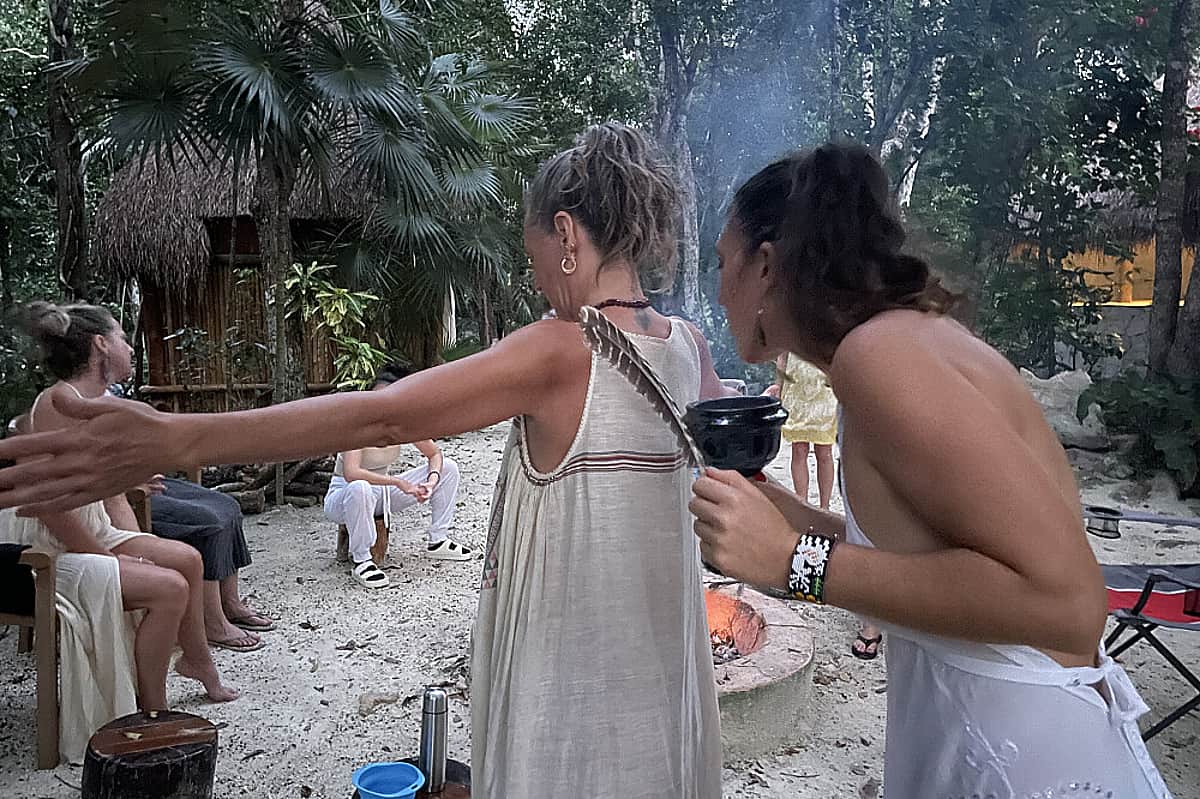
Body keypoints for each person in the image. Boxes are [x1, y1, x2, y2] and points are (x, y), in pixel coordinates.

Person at [0, 124, 725, 799]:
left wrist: (179, 437)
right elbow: (731, 477)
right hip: (663, 672)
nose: (534, 275)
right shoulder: (691, 348)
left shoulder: (561, 347)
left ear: (565, 233)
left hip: (578, 677)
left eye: (532, 250)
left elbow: (385, 412)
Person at [689, 143, 1171, 797]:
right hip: (1008, 736)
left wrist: (792, 559)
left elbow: (1069, 603)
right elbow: (942, 555)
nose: (718, 289)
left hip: (1023, 760)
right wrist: (794, 518)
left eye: (723, 263)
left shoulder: (879, 355)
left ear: (767, 266)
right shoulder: (901, 343)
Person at [0, 301, 238, 711]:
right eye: (123, 338)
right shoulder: (60, 404)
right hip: (50, 545)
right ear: (100, 345)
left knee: (187, 559)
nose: (129, 347)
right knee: (170, 587)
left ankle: (198, 663)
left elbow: (110, 495)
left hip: (89, 529)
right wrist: (108, 558)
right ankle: (153, 710)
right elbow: (50, 508)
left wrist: (136, 543)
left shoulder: (95, 401)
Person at [772, 352, 882, 660]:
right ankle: (808, 513)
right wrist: (779, 386)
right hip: (814, 390)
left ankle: (873, 619)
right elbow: (781, 356)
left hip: (834, 392)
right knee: (806, 454)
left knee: (833, 459)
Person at [324, 363, 471, 589]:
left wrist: (431, 481)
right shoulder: (355, 425)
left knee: (448, 468)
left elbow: (435, 454)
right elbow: (352, 473)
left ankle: (438, 539)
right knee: (360, 487)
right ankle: (362, 559)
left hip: (381, 494)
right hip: (344, 495)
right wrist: (399, 482)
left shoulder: (400, 425)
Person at [149, 476, 275, 650]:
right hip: (122, 494)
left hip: (149, 478)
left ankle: (230, 603)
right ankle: (212, 622)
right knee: (207, 520)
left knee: (229, 505)